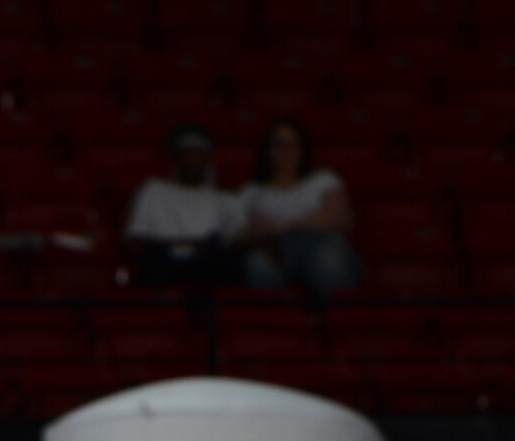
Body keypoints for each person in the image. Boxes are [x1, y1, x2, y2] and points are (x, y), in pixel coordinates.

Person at [238, 114, 358, 301]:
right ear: (268, 149)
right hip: (273, 247)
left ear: (303, 149)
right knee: (259, 265)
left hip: (319, 244)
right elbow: (241, 233)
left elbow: (340, 219)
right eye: (279, 144)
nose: (286, 151)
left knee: (329, 262)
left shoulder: (324, 180)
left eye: (293, 144)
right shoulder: (252, 191)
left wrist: (283, 225)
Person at [122, 126, 251, 290]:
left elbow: (236, 240)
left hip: (208, 266)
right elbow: (137, 239)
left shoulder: (225, 199)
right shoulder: (152, 191)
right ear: (177, 158)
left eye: (198, 154)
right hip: (164, 264)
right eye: (187, 154)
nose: (192, 160)